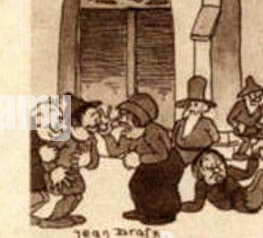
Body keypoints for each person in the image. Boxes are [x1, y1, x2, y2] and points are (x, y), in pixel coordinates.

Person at [106, 93, 185, 225]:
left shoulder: (152, 131)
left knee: (159, 189)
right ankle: (142, 210)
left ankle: (164, 214)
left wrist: (139, 159)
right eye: (123, 114)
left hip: (167, 164)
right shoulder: (128, 132)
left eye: (127, 115)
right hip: (148, 163)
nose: (122, 119)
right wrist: (107, 135)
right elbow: (116, 151)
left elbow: (162, 154)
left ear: (139, 116)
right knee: (135, 184)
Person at [37, 96, 102, 229]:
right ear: (77, 117)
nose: (97, 118)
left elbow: (94, 163)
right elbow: (48, 154)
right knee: (72, 195)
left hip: (73, 174)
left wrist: (89, 161)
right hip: (59, 175)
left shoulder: (90, 139)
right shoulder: (64, 136)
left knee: (77, 195)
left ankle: (63, 215)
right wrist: (52, 169)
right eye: (92, 114)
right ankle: (53, 219)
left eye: (97, 114)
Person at [180, 146, 263, 215]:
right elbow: (197, 205)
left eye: (219, 165)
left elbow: (247, 173)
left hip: (245, 194)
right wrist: (178, 206)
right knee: (262, 179)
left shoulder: (228, 171)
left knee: (260, 173)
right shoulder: (202, 185)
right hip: (245, 204)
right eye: (210, 168)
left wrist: (254, 156)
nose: (216, 170)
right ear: (200, 173)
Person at [172, 75, 221, 167]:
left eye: (195, 105)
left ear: (204, 107)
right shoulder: (180, 123)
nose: (191, 108)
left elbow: (216, 138)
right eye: (190, 105)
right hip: (178, 158)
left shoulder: (207, 123)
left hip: (199, 159)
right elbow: (173, 139)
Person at [226, 76, 263, 159]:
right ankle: (239, 154)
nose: (257, 98)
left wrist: (260, 125)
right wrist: (237, 124)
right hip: (242, 130)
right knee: (247, 141)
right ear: (247, 96)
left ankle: (259, 153)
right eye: (254, 95)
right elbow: (230, 118)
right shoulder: (240, 105)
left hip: (253, 129)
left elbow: (257, 121)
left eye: (259, 95)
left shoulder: (259, 108)